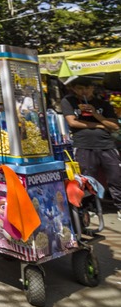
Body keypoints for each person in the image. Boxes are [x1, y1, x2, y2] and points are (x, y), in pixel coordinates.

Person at [61, 76, 120, 216]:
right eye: (80, 88)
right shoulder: (69, 101)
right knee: (86, 178)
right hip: (83, 144)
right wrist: (99, 125)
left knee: (116, 176)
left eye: (87, 88)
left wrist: (95, 113)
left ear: (93, 88)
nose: (84, 91)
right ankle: (89, 207)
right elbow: (72, 122)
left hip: (106, 144)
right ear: (74, 89)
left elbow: (114, 126)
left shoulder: (103, 104)